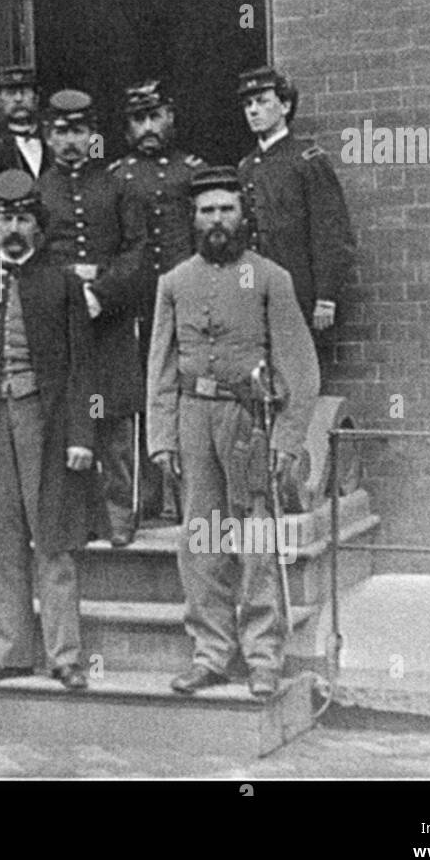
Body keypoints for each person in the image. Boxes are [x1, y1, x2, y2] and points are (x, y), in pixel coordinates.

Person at [146, 167, 320, 698]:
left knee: (254, 540)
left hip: (250, 422)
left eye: (225, 209)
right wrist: (162, 436)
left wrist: (286, 441)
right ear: (194, 219)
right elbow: (161, 364)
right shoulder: (173, 282)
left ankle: (264, 656)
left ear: (243, 215)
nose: (216, 220)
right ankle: (211, 653)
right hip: (194, 419)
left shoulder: (270, 277)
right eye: (206, 211)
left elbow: (301, 369)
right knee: (200, 540)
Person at [0, 170, 107, 692]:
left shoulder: (61, 281)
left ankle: (65, 655)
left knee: (53, 539)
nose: (13, 228)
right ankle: (9, 652)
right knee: (0, 539)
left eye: (23, 219)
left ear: (38, 226)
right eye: (5, 218)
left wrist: (82, 434)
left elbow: (84, 366)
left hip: (47, 420)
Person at [37, 89, 148, 547]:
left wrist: (101, 291)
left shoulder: (118, 186)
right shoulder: (38, 191)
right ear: (48, 136)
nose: (70, 141)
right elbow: (29, 256)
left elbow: (139, 252)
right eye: (61, 132)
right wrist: (67, 288)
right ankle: (77, 514)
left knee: (114, 415)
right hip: (61, 325)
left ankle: (120, 510)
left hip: (109, 322)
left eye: (78, 131)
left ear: (93, 136)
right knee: (67, 416)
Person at [108, 80, 207, 525]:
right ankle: (145, 496)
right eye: (138, 119)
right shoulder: (117, 177)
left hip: (188, 301)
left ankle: (192, 495)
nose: (148, 127)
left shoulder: (194, 171)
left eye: (155, 116)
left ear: (171, 117)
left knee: (191, 390)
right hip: (138, 305)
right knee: (146, 394)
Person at [235, 66, 355, 336]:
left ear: (285, 105)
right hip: (255, 293)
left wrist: (326, 296)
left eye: (262, 101)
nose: (253, 110)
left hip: (299, 292)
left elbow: (331, 232)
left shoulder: (307, 161)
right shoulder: (245, 168)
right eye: (248, 104)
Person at [0, 65, 51, 258]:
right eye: (10, 93)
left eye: (25, 91)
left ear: (36, 98)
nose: (19, 99)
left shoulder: (57, 142)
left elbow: (97, 149)